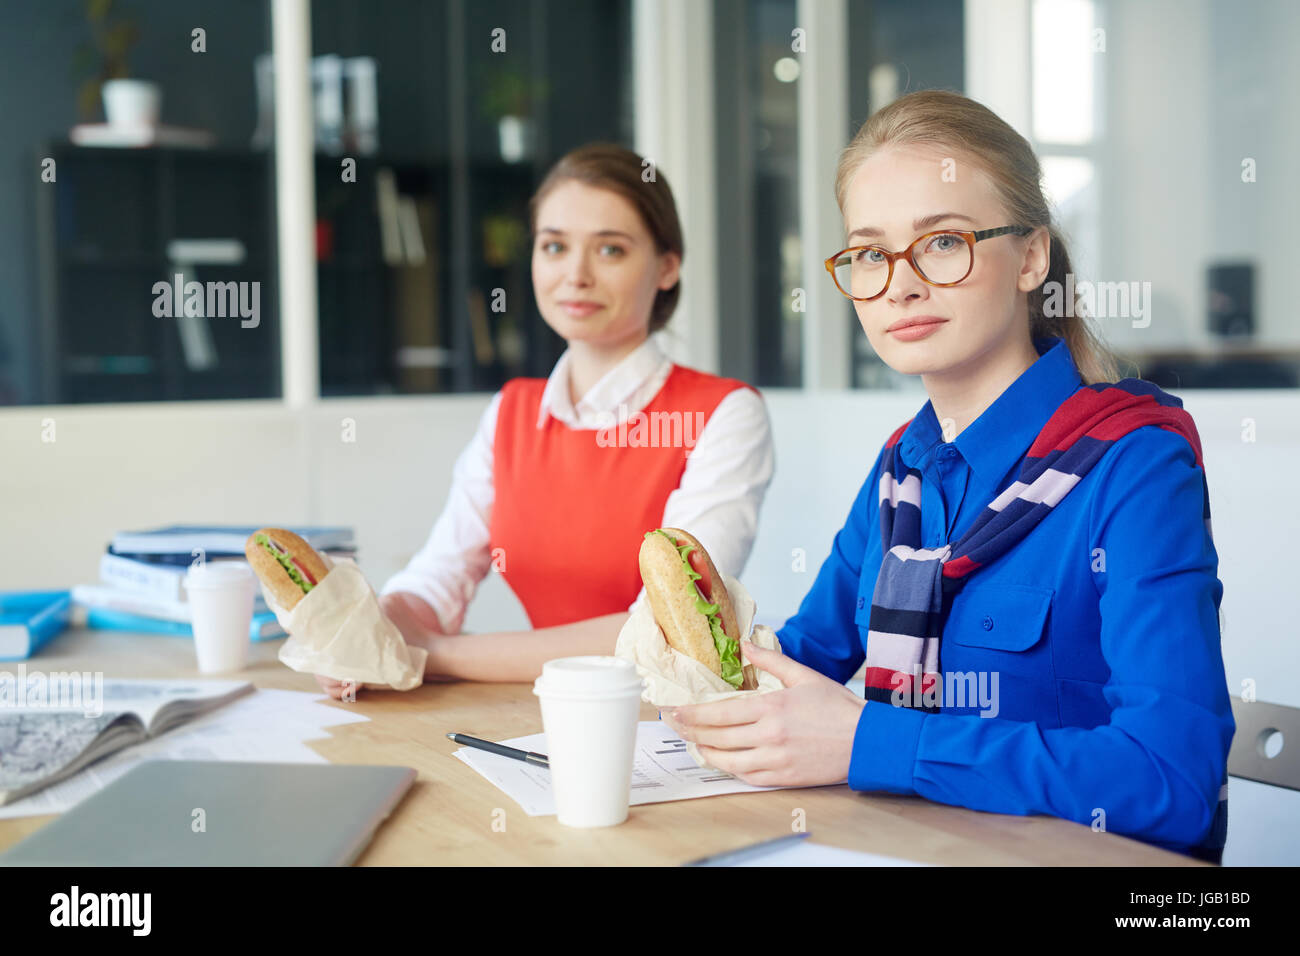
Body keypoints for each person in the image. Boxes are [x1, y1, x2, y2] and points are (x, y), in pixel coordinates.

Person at [665, 90, 1233, 863]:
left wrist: (878, 742)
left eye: (941, 242)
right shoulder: (902, 469)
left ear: (1031, 257)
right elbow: (794, 666)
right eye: (869, 252)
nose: (898, 284)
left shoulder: (1136, 466)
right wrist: (686, 662)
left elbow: (1173, 779)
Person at [318, 143, 773, 692]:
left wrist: (433, 652)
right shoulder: (512, 410)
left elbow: (662, 632)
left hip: (666, 731)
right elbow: (442, 573)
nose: (575, 275)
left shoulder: (724, 413)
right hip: (540, 710)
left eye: (610, 250)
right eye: (554, 246)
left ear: (667, 267)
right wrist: (380, 629)